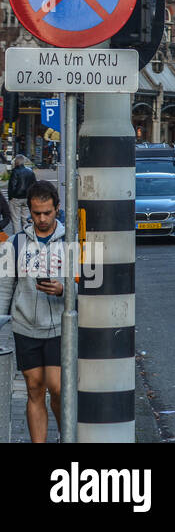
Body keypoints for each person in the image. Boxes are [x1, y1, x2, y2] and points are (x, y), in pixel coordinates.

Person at [0, 180, 65, 442]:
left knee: (58, 388)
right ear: (29, 211)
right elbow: (5, 288)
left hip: (59, 327)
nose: (41, 218)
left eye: (47, 212)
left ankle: (65, 434)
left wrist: (62, 290)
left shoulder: (71, 243)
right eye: (36, 213)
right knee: (34, 388)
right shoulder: (14, 244)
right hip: (25, 326)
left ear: (57, 209)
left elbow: (87, 289)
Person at [7, 153, 36, 226]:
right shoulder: (30, 171)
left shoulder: (15, 172)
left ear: (16, 162)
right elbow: (34, 185)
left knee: (16, 219)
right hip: (27, 197)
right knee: (26, 219)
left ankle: (19, 237)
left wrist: (10, 197)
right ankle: (25, 236)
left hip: (16, 198)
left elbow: (12, 186)